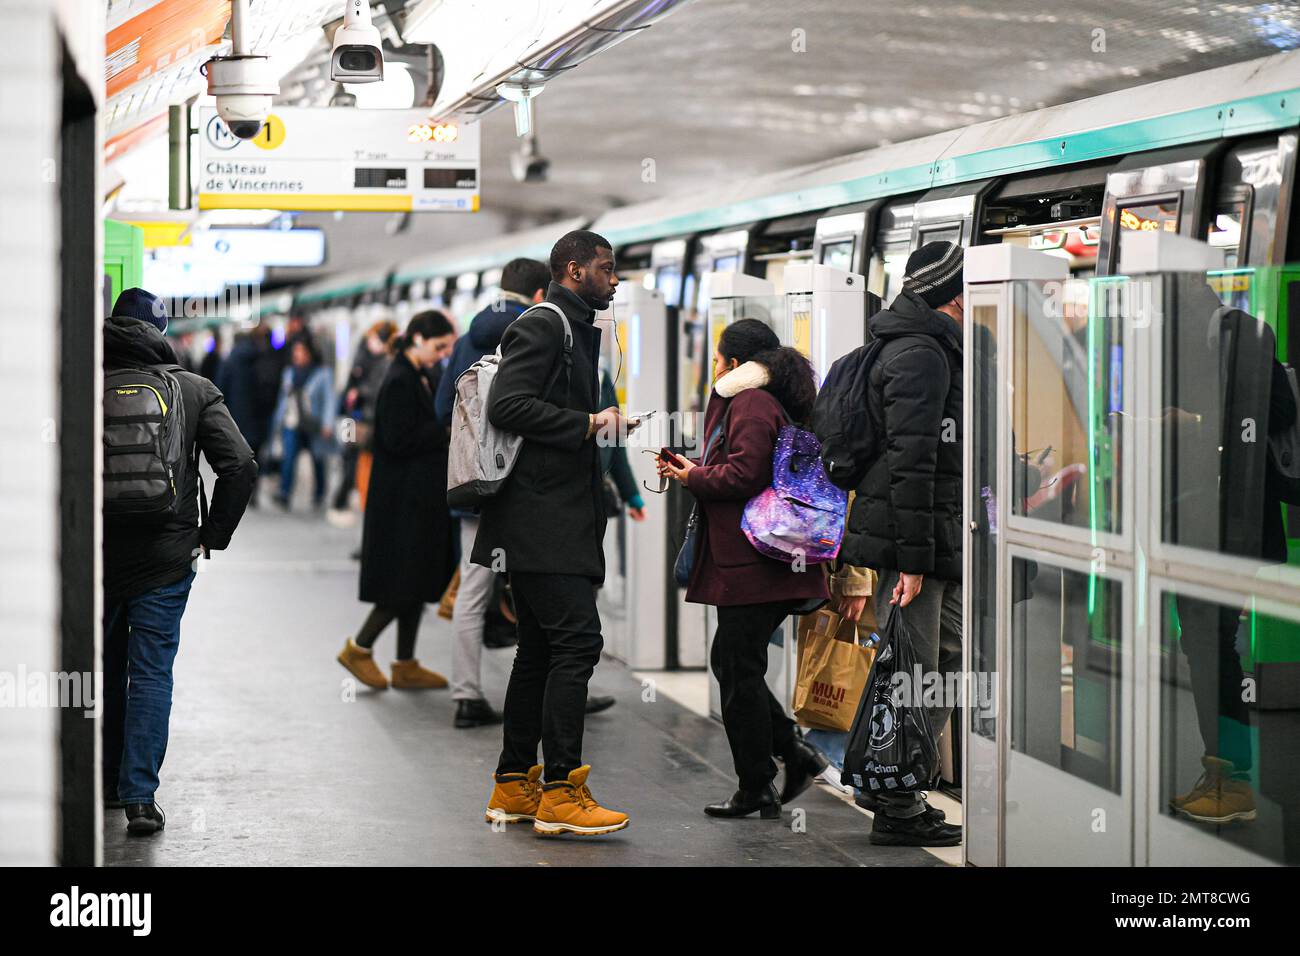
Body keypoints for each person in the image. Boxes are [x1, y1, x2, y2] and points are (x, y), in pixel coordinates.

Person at [478, 230, 632, 837]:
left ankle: (515, 785)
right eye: (606, 268)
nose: (614, 279)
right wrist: (589, 421)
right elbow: (507, 406)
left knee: (539, 651)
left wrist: (599, 424)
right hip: (543, 519)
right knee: (577, 644)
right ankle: (562, 791)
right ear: (575, 269)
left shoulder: (574, 327)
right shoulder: (545, 325)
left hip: (550, 516)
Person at [657, 319, 830, 819]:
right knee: (736, 664)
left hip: (758, 559)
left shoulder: (751, 402)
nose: (713, 367)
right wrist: (694, 467)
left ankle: (764, 778)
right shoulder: (762, 400)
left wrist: (694, 476)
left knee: (736, 666)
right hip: (761, 560)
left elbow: (745, 473)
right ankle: (783, 760)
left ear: (735, 364)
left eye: (716, 358)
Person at [102, 288, 257, 834]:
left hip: (93, 555)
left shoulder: (75, 384)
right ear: (160, 332)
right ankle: (139, 797)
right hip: (167, 556)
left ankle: (101, 780)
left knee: (99, 667)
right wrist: (211, 536)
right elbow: (238, 464)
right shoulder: (192, 389)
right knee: (149, 671)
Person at [838, 240, 966, 847]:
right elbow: (913, 463)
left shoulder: (923, 347)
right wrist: (913, 564)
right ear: (952, 295)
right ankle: (893, 798)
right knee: (912, 669)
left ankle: (898, 780)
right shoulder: (921, 355)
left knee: (945, 659)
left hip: (927, 537)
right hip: (910, 543)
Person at [434, 258, 549, 727]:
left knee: (473, 588)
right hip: (523, 485)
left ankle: (466, 695)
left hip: (474, 483)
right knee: (540, 588)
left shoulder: (466, 338)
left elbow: (444, 405)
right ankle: (546, 695)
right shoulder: (537, 333)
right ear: (540, 294)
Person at [337, 311, 458, 690]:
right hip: (401, 502)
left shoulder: (423, 373)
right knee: (401, 584)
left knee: (417, 581)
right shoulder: (400, 379)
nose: (442, 355)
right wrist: (445, 432)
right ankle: (359, 648)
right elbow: (397, 439)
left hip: (418, 499)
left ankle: (405, 663)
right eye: (439, 347)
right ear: (418, 338)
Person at [332, 320, 397, 516]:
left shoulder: (383, 362)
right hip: (356, 419)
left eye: (374, 339)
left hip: (364, 421)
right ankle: (342, 497)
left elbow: (370, 389)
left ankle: (343, 498)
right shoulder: (366, 355)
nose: (370, 342)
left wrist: (358, 392)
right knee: (350, 456)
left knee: (357, 460)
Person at [271, 338, 334, 510]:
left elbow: (329, 399)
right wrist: (278, 420)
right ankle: (285, 493)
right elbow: (283, 398)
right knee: (289, 457)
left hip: (313, 423)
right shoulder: (289, 373)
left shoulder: (323, 373)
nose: (297, 355)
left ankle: (320, 493)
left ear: (310, 353)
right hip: (292, 421)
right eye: (295, 352)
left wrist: (328, 423)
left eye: (301, 352)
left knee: (317, 458)